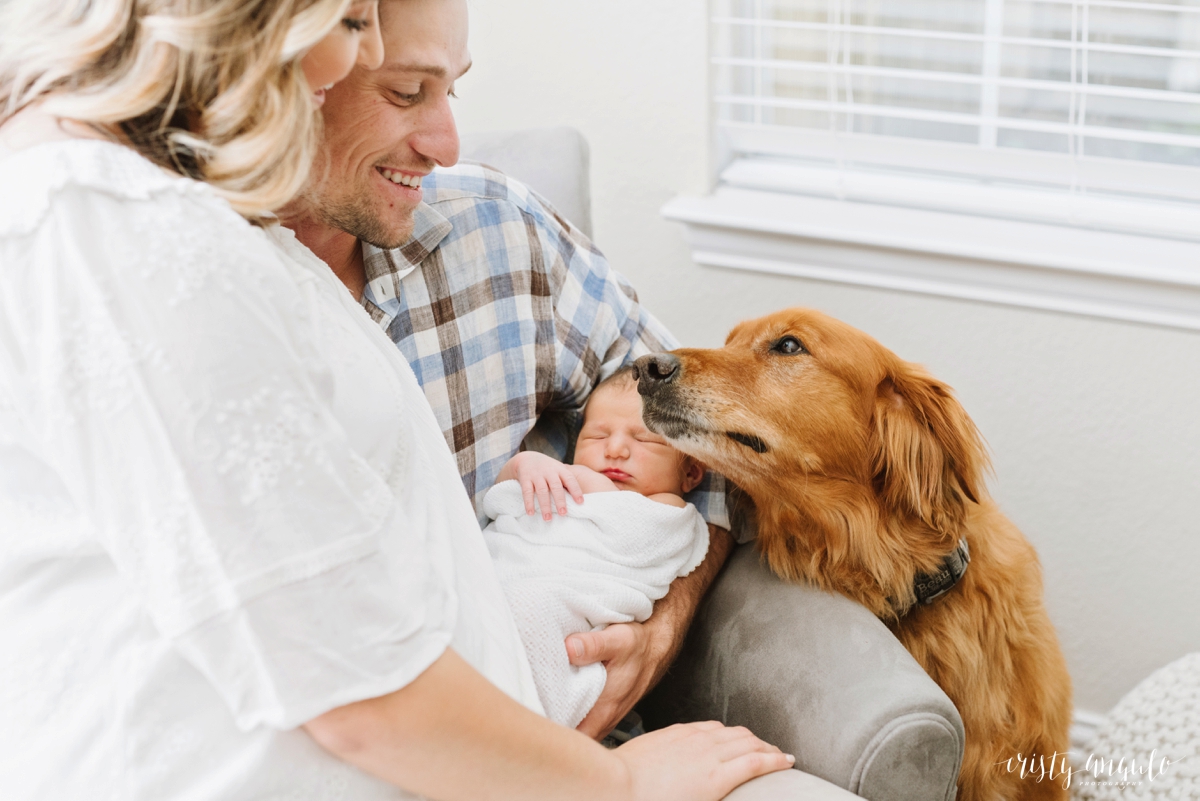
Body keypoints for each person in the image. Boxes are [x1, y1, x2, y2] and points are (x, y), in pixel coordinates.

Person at [0, 0, 794, 799]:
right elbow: (353, 679)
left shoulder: (217, 226)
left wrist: (662, 624)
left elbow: (697, 417)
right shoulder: (118, 228)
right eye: (354, 29)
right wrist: (616, 785)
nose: (446, 141)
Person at [284, 0, 740, 741]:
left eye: (452, 89)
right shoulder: (215, 300)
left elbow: (713, 436)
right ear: (288, 80)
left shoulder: (500, 231)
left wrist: (662, 629)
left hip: (556, 708)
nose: (446, 144)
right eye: (406, 92)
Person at [486, 367, 710, 727]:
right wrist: (524, 465)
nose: (616, 450)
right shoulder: (565, 477)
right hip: (503, 572)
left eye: (646, 441)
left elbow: (635, 530)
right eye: (596, 436)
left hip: (557, 607)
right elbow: (503, 503)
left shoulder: (671, 513)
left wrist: (579, 479)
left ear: (691, 474)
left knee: (529, 608)